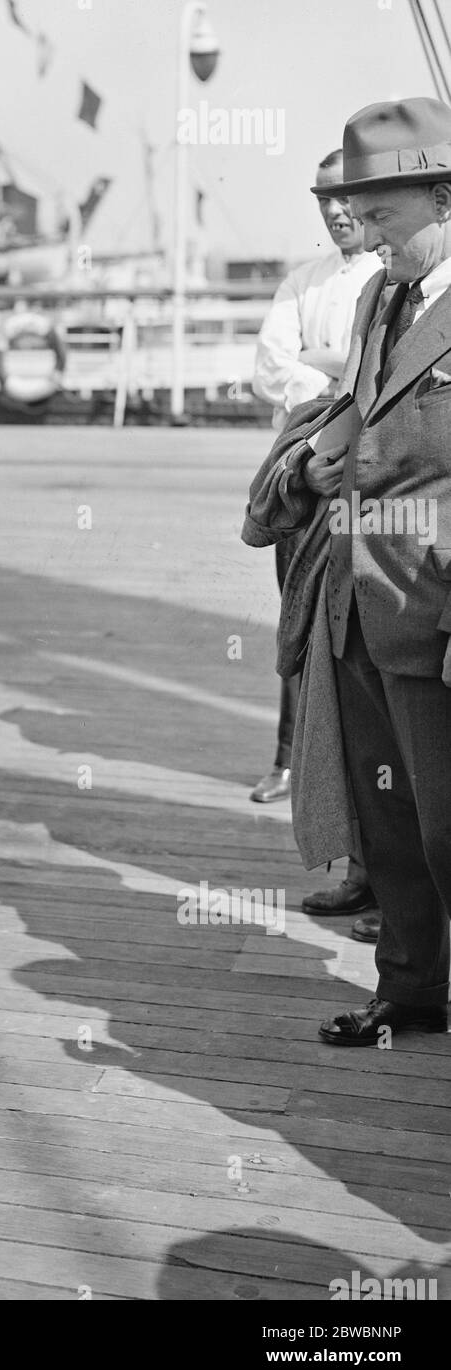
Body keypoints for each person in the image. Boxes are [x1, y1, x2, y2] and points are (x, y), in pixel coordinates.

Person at [293, 97, 451, 1047]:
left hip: (432, 610)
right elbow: (358, 413)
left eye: (384, 216)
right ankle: (410, 990)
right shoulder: (378, 296)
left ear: (442, 198)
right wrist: (309, 465)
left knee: (447, 829)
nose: (367, 234)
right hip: (358, 600)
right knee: (388, 822)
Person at [251, 149, 381, 933]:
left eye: (347, 197)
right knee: (308, 648)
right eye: (323, 198)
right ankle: (355, 858)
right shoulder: (302, 280)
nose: (335, 211)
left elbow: (378, 378)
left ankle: (392, 879)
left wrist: (330, 374)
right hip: (307, 487)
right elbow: (273, 366)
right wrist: (328, 386)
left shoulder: (403, 284)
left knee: (372, 679)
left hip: (375, 500)